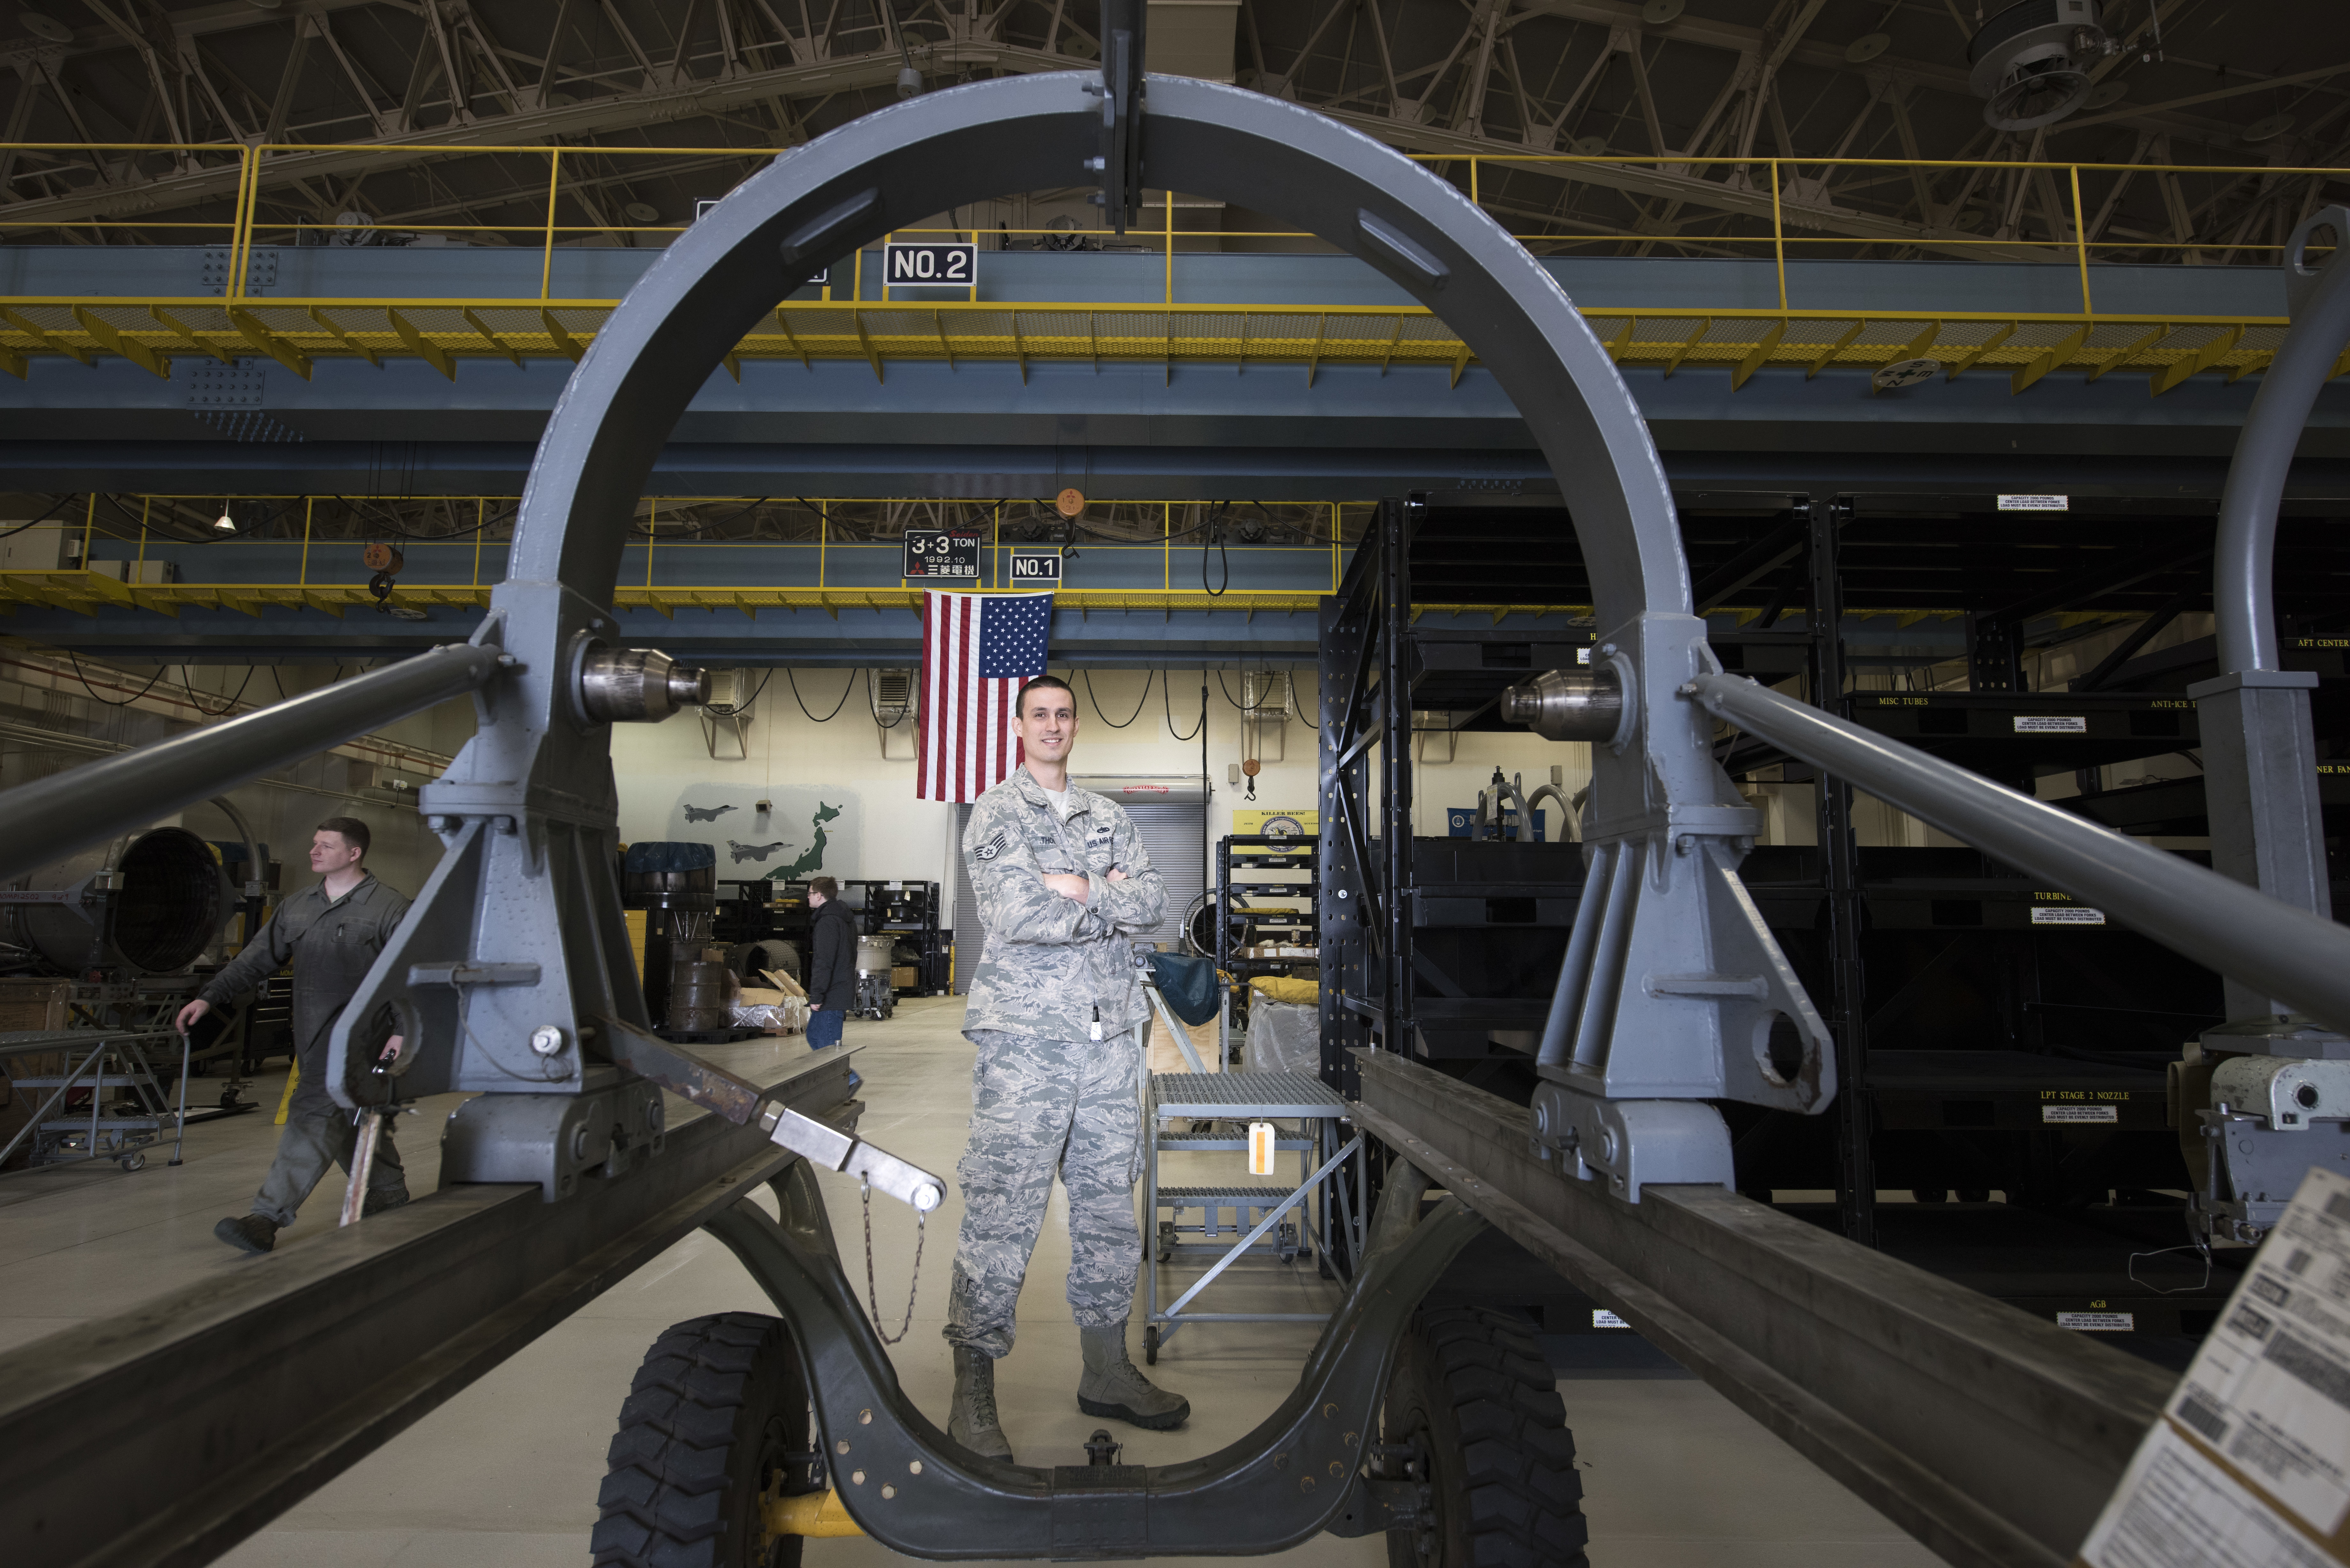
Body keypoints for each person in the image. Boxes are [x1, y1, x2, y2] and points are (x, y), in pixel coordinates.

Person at [946, 674, 1182, 1463]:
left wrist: (1072, 887)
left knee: (1109, 1207)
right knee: (1002, 1207)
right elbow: (1012, 913)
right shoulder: (995, 812)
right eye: (1039, 714)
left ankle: (1107, 1368)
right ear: (1018, 727)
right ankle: (971, 1387)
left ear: (1075, 726)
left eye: (1063, 713)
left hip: (1111, 1038)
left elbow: (1154, 901)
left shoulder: (1108, 815)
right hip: (1027, 1043)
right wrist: (1101, 895)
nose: (1053, 724)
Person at [179, 818, 410, 1254]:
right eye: (315, 844)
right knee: (347, 1113)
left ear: (354, 853)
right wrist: (210, 997)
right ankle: (386, 1188)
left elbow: (407, 977)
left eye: (325, 846)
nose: (314, 852)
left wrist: (402, 1031)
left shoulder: (390, 908)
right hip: (311, 1035)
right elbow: (255, 960)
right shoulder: (299, 906)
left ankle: (267, 1217)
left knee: (313, 1114)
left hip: (363, 1037)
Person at [804, 875, 857, 1051]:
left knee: (826, 1047)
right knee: (816, 1037)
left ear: (819, 895)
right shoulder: (843, 918)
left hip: (831, 994)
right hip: (839, 988)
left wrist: (817, 995)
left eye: (810, 893)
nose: (808, 897)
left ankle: (850, 1079)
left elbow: (824, 961)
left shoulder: (827, 921)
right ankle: (848, 1079)